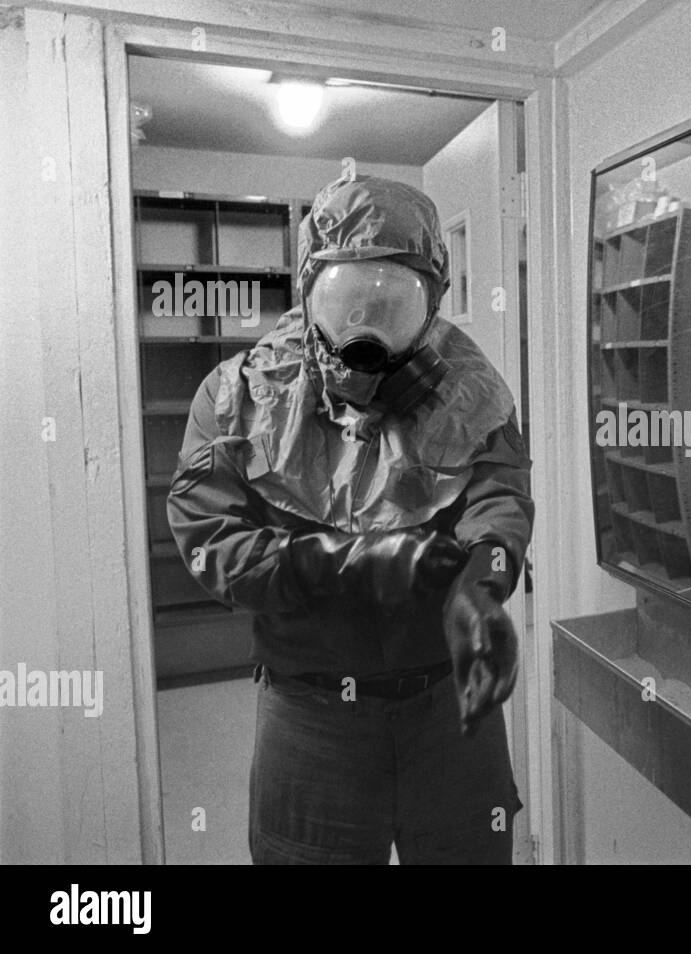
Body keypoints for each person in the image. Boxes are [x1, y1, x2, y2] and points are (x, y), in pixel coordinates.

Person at [167, 174, 533, 864]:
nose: (366, 327)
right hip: (311, 715)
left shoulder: (472, 390)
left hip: (447, 705)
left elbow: (500, 492)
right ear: (308, 289)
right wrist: (345, 564)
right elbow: (210, 536)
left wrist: (487, 572)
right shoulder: (235, 398)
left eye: (392, 302)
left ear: (433, 303)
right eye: (346, 299)